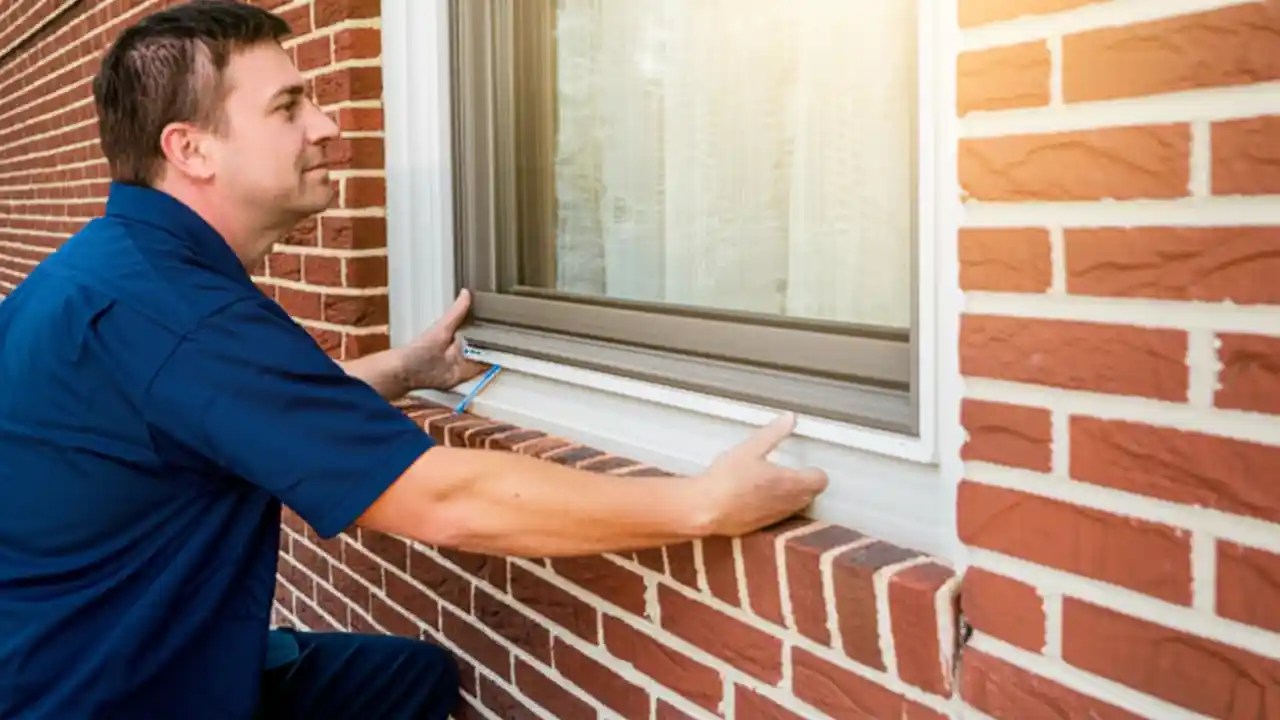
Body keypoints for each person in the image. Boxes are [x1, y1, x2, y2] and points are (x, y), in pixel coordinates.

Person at [0, 1, 829, 718]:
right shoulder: (182, 315)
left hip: (55, 652)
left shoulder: (102, 274)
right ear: (192, 150)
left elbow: (226, 411)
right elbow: (446, 501)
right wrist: (702, 504)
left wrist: (405, 371)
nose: (326, 125)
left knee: (407, 680)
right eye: (288, 106)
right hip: (105, 692)